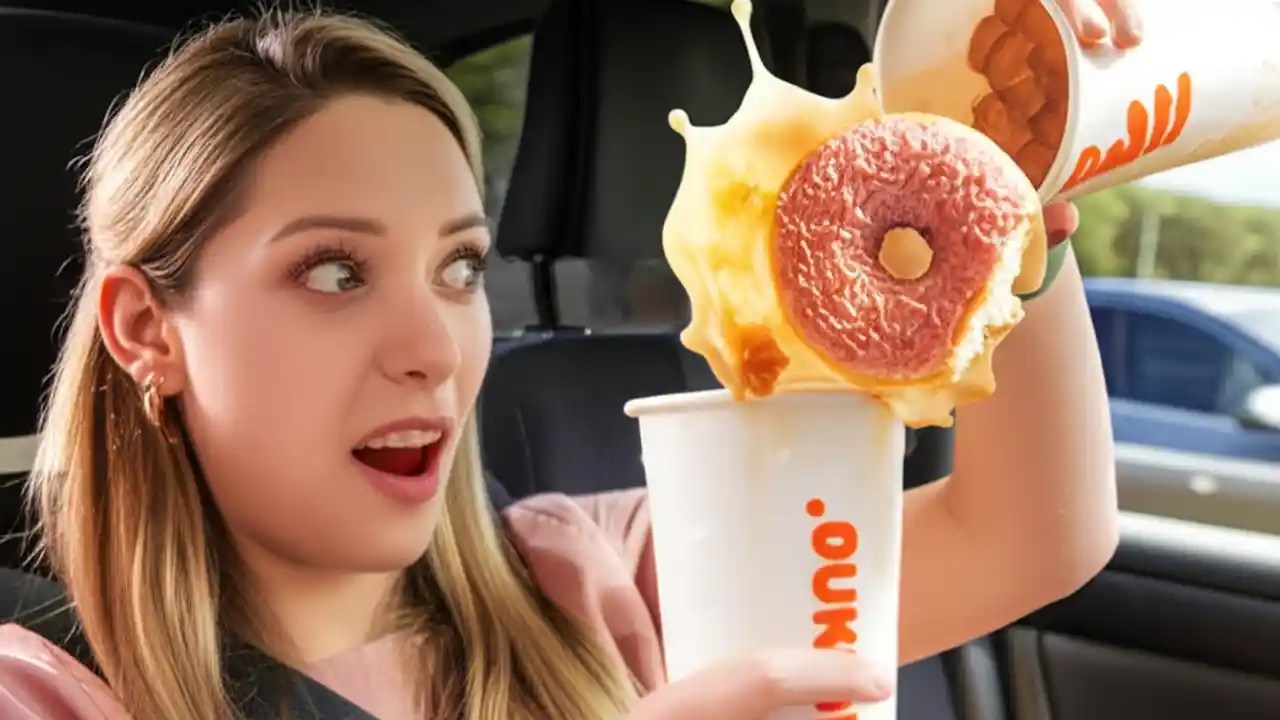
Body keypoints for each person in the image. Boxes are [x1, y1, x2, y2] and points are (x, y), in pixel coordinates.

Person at [0, 1, 1142, 718]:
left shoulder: (590, 579)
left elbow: (1026, 535)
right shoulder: (44, 689)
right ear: (148, 331)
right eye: (334, 274)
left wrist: (1007, 172)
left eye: (456, 271)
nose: (432, 353)